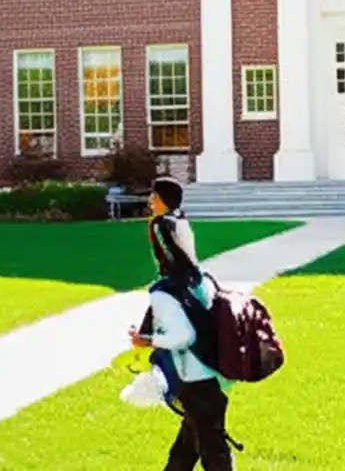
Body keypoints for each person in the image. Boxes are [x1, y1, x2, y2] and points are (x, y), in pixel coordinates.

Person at [128, 177, 233, 471]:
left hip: (197, 381)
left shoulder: (167, 290)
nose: (149, 201)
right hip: (208, 377)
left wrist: (147, 340)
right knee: (186, 450)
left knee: (213, 453)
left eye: (153, 196)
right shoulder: (199, 283)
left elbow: (182, 335)